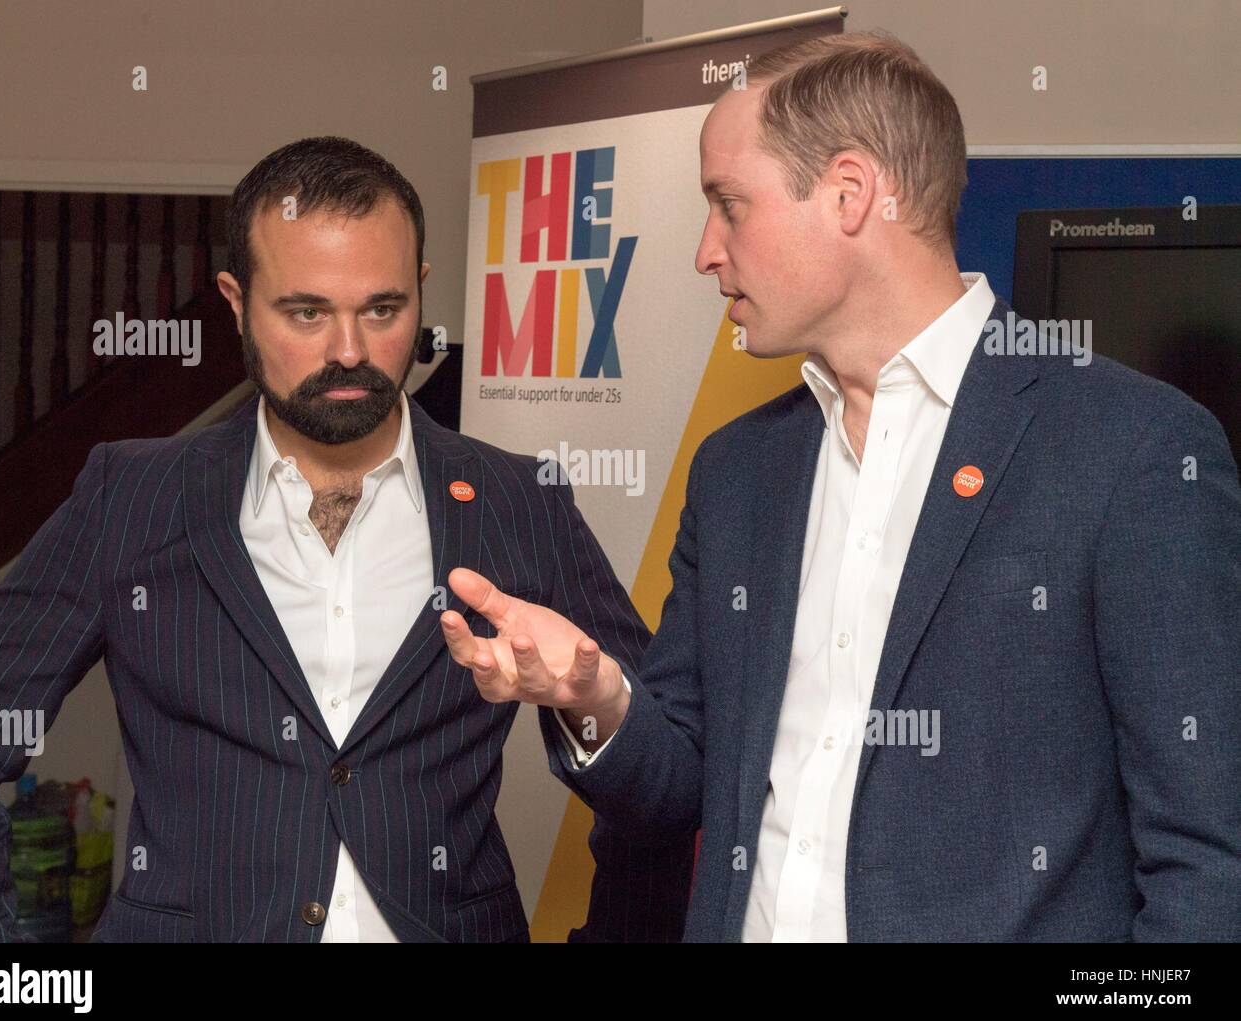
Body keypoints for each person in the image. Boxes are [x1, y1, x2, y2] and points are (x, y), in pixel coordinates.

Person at [440, 32, 1241, 942]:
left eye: (729, 205)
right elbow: (676, 788)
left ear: (851, 193)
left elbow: (1211, 863)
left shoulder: (1133, 449)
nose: (706, 251)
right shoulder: (739, 470)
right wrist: (591, 694)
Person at [0, 136, 692, 943]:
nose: (349, 351)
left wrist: (595, 712)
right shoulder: (132, 495)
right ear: (235, 300)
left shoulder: (519, 500)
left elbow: (669, 781)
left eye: (383, 309)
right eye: (306, 311)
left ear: (421, 293)